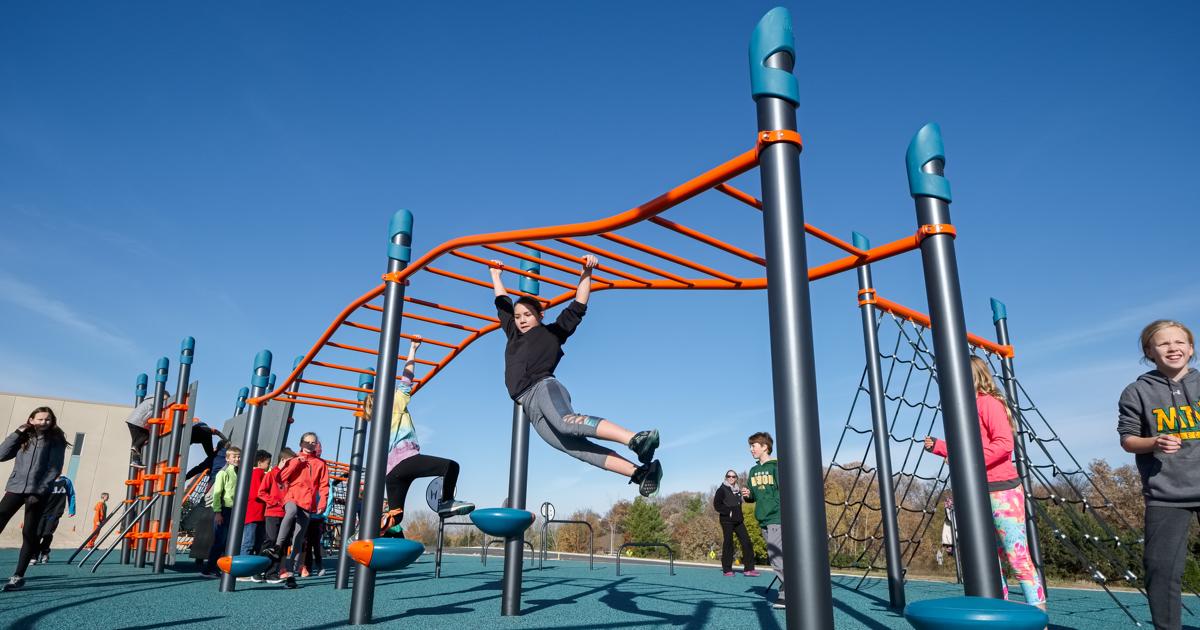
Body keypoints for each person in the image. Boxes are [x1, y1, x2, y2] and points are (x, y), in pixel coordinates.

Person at [487, 256, 662, 497]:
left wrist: (586, 272)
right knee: (574, 448)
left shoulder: (552, 333)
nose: (522, 320)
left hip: (543, 387)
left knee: (566, 422)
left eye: (527, 314)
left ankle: (635, 438)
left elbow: (578, 306)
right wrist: (495, 275)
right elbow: (502, 303)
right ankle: (640, 473)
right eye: (518, 317)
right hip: (528, 403)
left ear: (540, 315)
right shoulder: (513, 334)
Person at [925, 356, 1046, 610]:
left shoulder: (988, 403)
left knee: (1016, 556)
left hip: (1002, 490)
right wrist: (940, 448)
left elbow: (1003, 444)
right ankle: (1000, 610)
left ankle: (1038, 614)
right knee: (990, 560)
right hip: (976, 492)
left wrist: (966, 462)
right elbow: (966, 448)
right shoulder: (963, 409)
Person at [1117, 320, 1200, 630]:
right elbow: (1128, 440)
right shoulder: (1137, 391)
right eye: (1164, 343)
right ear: (1149, 351)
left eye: (1180, 342)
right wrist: (1154, 442)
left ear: (1191, 349)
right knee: (1161, 568)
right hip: (1166, 493)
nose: (1173, 348)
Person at [371, 335, 474, 539]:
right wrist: (413, 349)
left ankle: (368, 530)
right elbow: (406, 378)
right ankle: (446, 503)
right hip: (405, 461)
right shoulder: (395, 404)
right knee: (450, 466)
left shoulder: (376, 421)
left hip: (391, 473)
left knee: (396, 516)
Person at [0, 407, 70, 591]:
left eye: (47, 419)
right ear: (31, 419)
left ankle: (18, 576)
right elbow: (1, 455)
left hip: (38, 492)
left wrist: (39, 491)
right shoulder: (24, 436)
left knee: (29, 533)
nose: (44, 422)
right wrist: (17, 433)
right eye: (40, 419)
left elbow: (55, 467)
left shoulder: (56, 439)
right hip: (15, 487)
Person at [262, 433, 328, 589]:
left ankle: (290, 574)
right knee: (290, 512)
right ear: (301, 443)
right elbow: (281, 478)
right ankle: (278, 547)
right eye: (307, 442)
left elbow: (324, 485)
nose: (310, 445)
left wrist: (323, 501)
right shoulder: (294, 459)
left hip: (307, 501)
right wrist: (295, 463)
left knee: (298, 539)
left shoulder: (320, 464)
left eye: (313, 442)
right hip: (292, 496)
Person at [741, 432, 783, 609]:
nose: (751, 449)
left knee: (776, 556)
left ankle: (788, 592)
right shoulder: (753, 470)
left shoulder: (776, 467)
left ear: (765, 446)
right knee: (778, 556)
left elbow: (784, 490)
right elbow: (752, 497)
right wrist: (747, 494)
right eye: (750, 446)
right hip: (763, 518)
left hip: (777, 516)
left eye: (754, 446)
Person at [200, 445, 240, 578]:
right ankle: (209, 568)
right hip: (224, 509)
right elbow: (217, 494)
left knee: (228, 540)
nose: (237, 459)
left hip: (234, 509)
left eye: (239, 456)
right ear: (227, 459)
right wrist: (217, 512)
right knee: (219, 540)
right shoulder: (223, 473)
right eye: (234, 457)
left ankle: (221, 566)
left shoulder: (238, 471)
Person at [257, 448, 294, 582]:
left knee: (280, 543)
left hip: (286, 514)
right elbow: (261, 492)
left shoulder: (290, 477)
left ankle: (272, 573)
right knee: (270, 540)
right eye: (291, 462)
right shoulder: (271, 474)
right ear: (283, 461)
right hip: (272, 513)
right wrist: (276, 502)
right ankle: (257, 570)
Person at [713, 469, 757, 577]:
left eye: (733, 476)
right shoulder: (721, 490)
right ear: (726, 477)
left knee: (746, 542)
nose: (731, 478)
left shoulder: (738, 490)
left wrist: (748, 495)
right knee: (729, 543)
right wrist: (729, 512)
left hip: (738, 520)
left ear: (736, 478)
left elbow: (747, 500)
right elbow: (717, 505)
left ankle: (749, 569)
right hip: (727, 520)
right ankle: (727, 569)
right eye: (729, 476)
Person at [35, 474, 76, 564]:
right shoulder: (45, 479)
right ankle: (34, 555)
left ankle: (45, 553)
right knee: (37, 533)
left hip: (55, 512)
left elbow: (71, 494)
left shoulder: (66, 482)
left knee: (47, 533)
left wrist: (71, 510)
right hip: (42, 511)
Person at [125, 391, 170, 468]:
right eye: (165, 398)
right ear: (162, 395)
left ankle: (135, 460)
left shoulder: (148, 399)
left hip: (132, 421)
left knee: (137, 441)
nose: (165, 401)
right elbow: (154, 406)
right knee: (145, 435)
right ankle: (135, 447)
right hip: (137, 421)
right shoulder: (155, 399)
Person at [239, 451, 271, 559]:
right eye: (267, 463)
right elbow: (256, 493)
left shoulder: (254, 474)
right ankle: (244, 568)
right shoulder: (258, 473)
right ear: (260, 462)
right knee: (250, 542)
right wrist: (271, 499)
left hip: (255, 514)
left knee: (252, 542)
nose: (268, 465)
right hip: (255, 514)